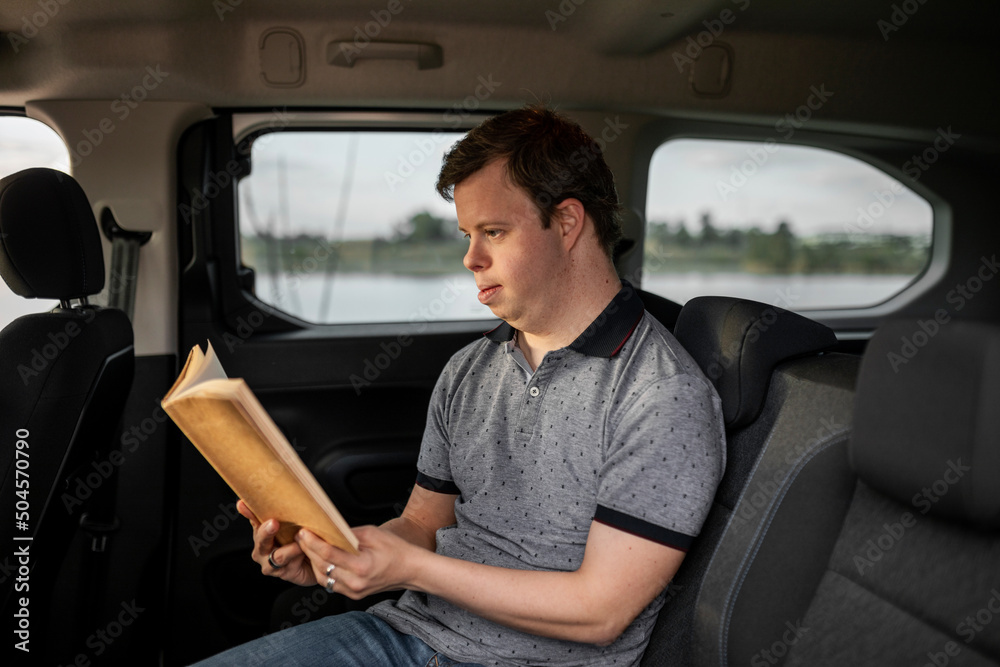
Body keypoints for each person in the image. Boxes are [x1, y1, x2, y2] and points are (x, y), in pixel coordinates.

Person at [193, 105, 725, 667]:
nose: (471, 258)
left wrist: (411, 571)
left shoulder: (662, 395)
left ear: (567, 223)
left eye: (494, 232)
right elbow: (424, 524)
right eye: (468, 234)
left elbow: (600, 611)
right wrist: (338, 555)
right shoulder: (469, 370)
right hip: (405, 635)